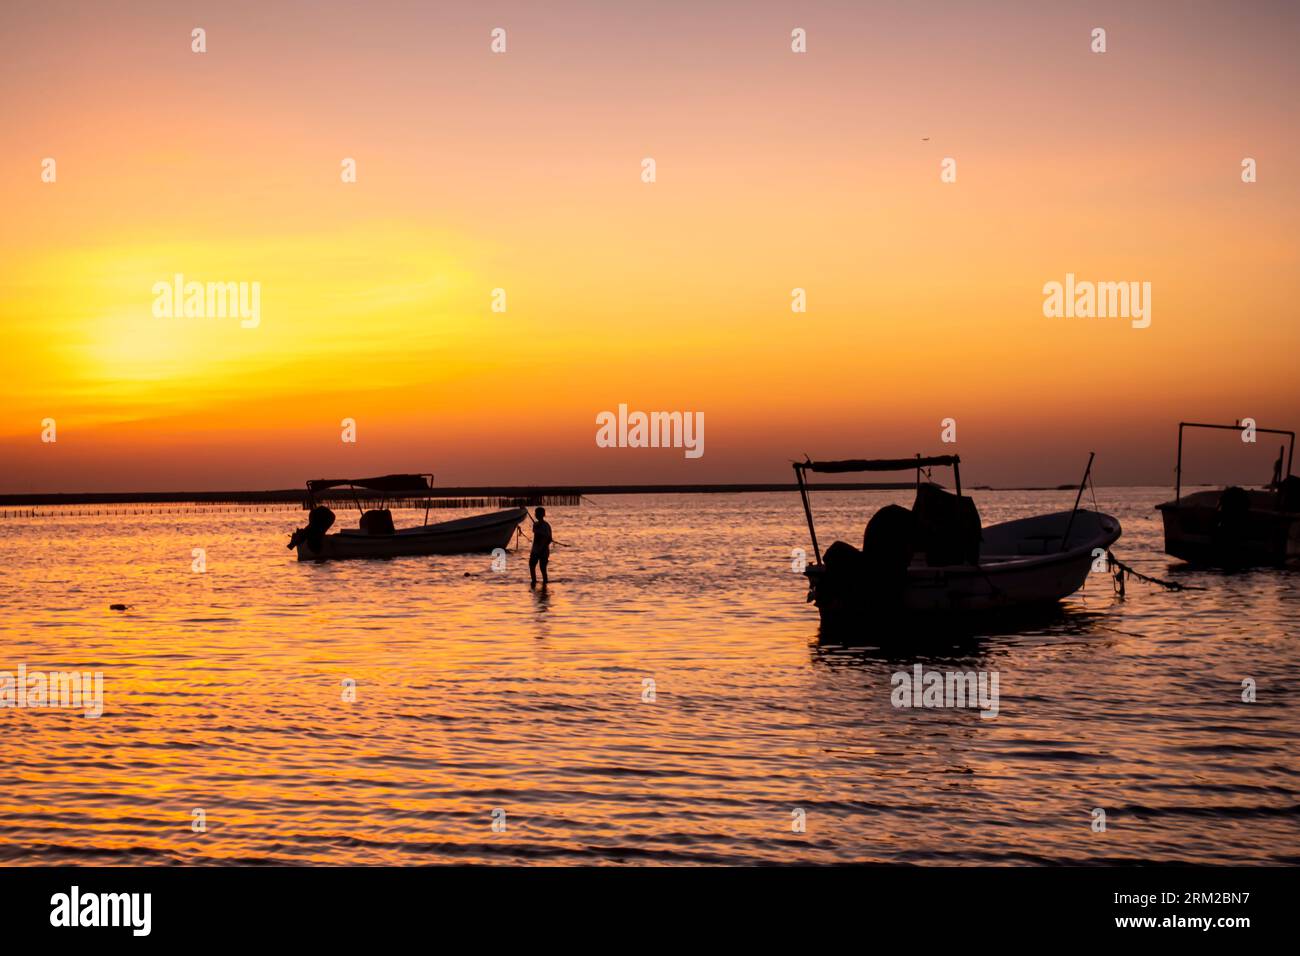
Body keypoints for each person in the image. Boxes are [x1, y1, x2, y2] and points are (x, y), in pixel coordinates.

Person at [529, 507, 553, 587]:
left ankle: (545, 584)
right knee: (532, 566)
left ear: (542, 514)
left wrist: (542, 548)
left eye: (537, 513)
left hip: (543, 551)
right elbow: (535, 530)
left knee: (542, 568)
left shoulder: (546, 526)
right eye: (536, 513)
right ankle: (534, 581)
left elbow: (549, 539)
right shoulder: (536, 525)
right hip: (535, 550)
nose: (536, 515)